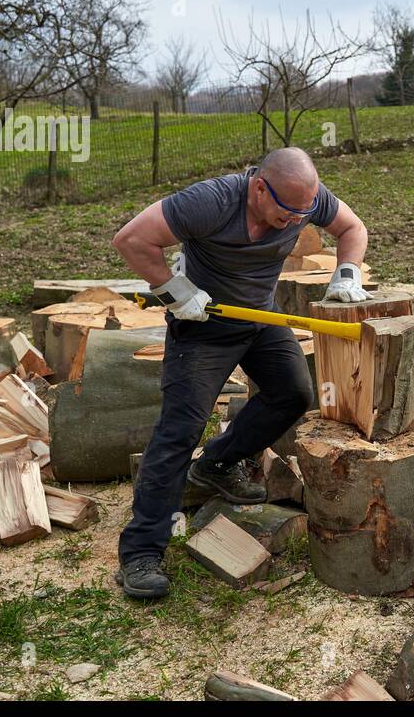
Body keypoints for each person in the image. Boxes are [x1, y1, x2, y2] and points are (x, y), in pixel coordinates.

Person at [109, 146, 369, 599]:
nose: (296, 223)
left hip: (260, 319)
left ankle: (217, 463)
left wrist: (347, 273)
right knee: (179, 429)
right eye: (287, 213)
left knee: (292, 393)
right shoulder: (210, 201)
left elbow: (351, 227)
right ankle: (141, 552)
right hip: (201, 325)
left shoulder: (305, 199)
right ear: (260, 187)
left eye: (303, 214)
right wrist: (175, 291)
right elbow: (130, 239)